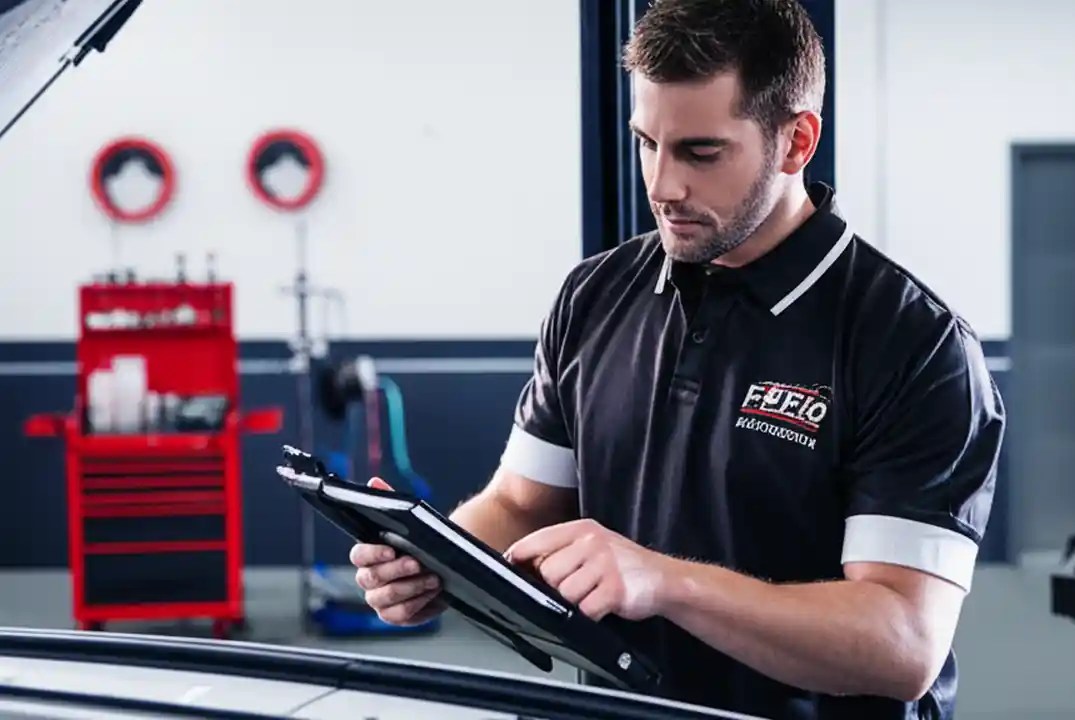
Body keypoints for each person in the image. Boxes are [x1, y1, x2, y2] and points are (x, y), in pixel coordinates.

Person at [350, 1, 1005, 718]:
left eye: (700, 152)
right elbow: (520, 505)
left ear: (796, 141)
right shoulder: (595, 294)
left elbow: (903, 642)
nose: (662, 187)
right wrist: (436, 560)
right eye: (646, 144)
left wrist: (664, 582)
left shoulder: (914, 342)